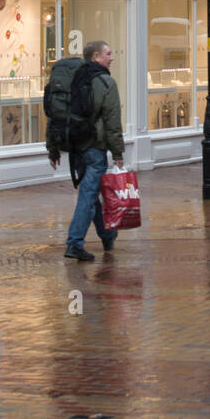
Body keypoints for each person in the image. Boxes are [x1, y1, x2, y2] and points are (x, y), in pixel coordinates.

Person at [58, 40, 125, 261]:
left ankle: (107, 235)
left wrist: (53, 148)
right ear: (96, 57)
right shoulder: (106, 82)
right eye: (108, 53)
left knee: (92, 193)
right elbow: (112, 121)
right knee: (88, 194)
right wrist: (117, 154)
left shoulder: (74, 79)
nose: (111, 57)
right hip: (95, 148)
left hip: (77, 147)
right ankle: (74, 242)